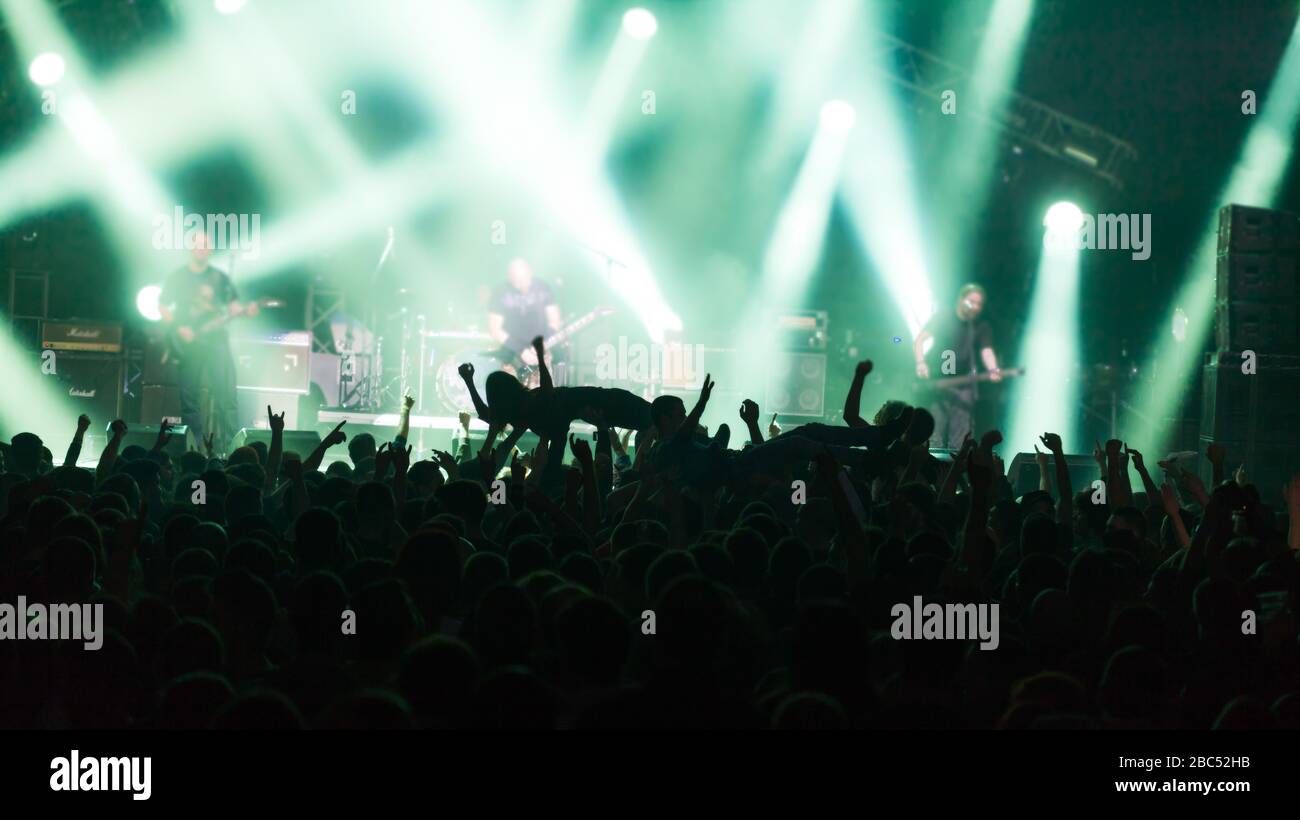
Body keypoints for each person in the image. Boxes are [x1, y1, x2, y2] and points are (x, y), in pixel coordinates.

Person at [158, 232, 259, 454]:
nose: (201, 248)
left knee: (227, 396)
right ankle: (193, 449)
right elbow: (163, 306)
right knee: (189, 398)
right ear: (190, 247)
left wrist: (246, 312)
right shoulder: (178, 277)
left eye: (206, 244)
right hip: (188, 344)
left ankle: (230, 450)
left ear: (211, 249)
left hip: (217, 343)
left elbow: (233, 308)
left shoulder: (220, 278)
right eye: (198, 244)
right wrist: (178, 327)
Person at [912, 283, 1002, 449]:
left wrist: (993, 368)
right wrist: (921, 363)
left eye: (979, 304)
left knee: (961, 438)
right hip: (938, 382)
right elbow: (920, 340)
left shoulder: (981, 326)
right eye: (971, 302)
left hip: (964, 386)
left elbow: (987, 351)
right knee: (933, 433)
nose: (975, 307)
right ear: (961, 300)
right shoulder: (944, 316)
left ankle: (956, 468)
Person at [487, 258, 562, 373]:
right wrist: (521, 350)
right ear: (509, 277)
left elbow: (555, 321)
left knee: (543, 390)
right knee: (511, 390)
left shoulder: (543, 287)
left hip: (540, 353)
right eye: (517, 280)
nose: (521, 283)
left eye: (524, 278)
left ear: (530, 273)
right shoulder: (500, 292)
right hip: (512, 356)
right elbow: (494, 330)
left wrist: (542, 343)